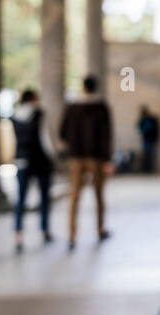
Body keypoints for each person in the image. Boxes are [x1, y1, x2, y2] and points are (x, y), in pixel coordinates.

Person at [59, 74, 113, 249]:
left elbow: (62, 132)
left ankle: (72, 235)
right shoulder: (101, 107)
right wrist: (107, 159)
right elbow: (107, 135)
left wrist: (73, 145)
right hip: (96, 157)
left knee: (74, 196)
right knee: (98, 195)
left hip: (75, 157)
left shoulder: (72, 107)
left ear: (83, 87)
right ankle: (100, 229)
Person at [11, 88, 54, 252]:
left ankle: (18, 233)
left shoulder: (15, 116)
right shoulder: (40, 114)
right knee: (44, 196)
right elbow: (46, 140)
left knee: (21, 198)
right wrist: (55, 159)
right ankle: (44, 229)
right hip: (40, 161)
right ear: (33, 99)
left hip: (21, 160)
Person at [136, 106, 160, 173]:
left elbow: (157, 130)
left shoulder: (152, 119)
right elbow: (139, 128)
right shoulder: (143, 120)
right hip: (146, 139)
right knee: (147, 154)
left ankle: (150, 169)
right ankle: (147, 169)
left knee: (151, 155)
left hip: (151, 140)